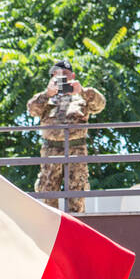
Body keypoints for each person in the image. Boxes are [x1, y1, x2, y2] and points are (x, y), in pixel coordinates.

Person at [26, 60, 105, 214]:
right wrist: (47, 93)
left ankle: (76, 230)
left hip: (76, 150)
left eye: (65, 75)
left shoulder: (82, 96)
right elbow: (32, 110)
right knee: (48, 194)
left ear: (73, 76)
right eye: (57, 76)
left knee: (77, 194)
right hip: (50, 151)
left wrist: (81, 91)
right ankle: (50, 232)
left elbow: (100, 105)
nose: (62, 78)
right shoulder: (46, 97)